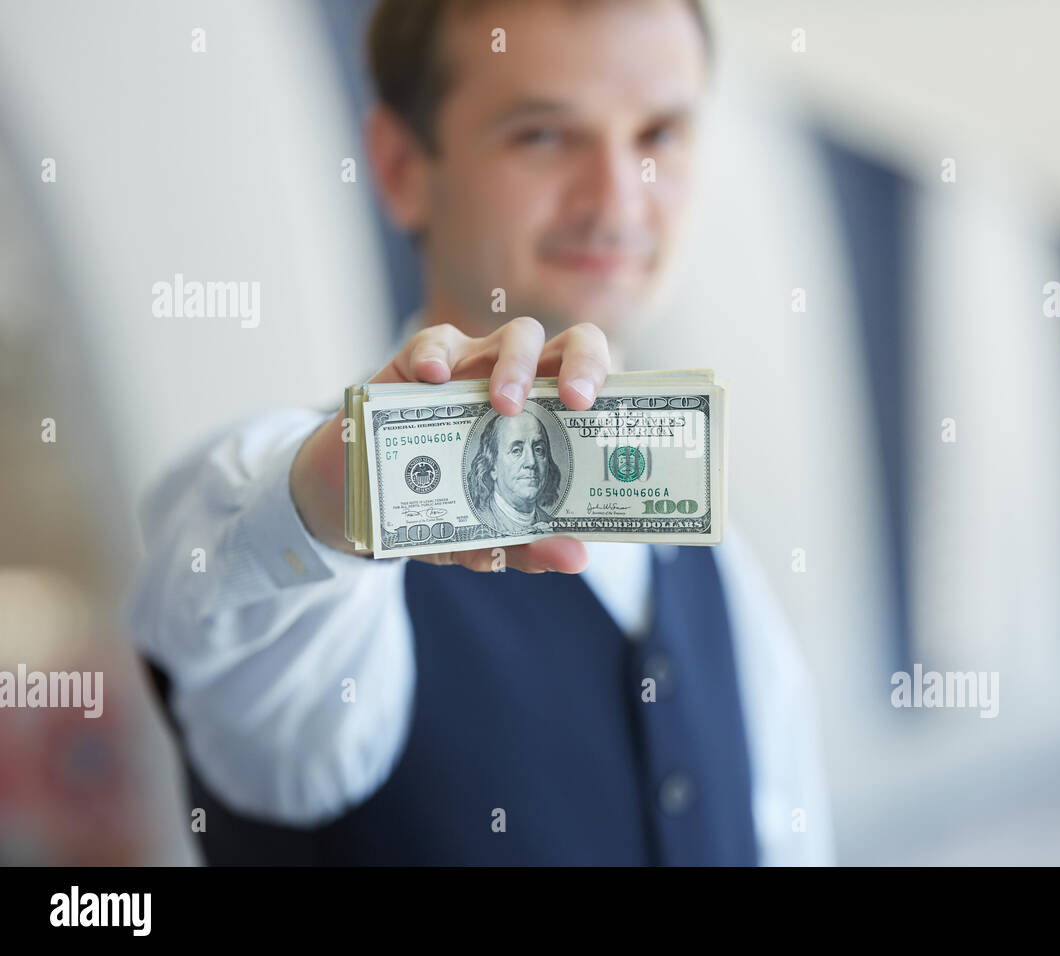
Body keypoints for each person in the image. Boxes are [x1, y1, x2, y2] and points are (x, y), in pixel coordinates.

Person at [129, 0, 833, 865]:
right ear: (398, 165)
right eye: (543, 135)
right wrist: (342, 491)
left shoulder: (721, 561)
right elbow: (220, 561)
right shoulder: (323, 519)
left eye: (658, 135)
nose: (617, 202)